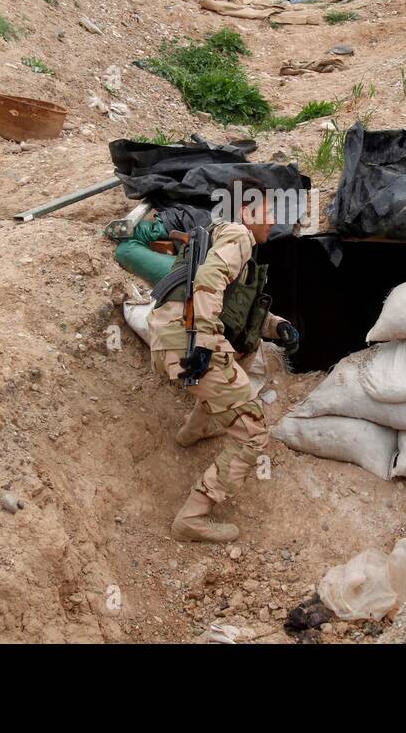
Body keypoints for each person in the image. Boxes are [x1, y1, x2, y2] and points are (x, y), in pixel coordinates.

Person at [147, 181, 300, 543]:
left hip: (170, 341)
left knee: (242, 352)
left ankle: (193, 431)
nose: (274, 220)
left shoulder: (221, 240)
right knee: (254, 435)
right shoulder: (238, 236)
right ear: (247, 212)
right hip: (188, 342)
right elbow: (211, 281)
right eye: (268, 211)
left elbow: (236, 310)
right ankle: (193, 516)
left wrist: (278, 327)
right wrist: (202, 339)